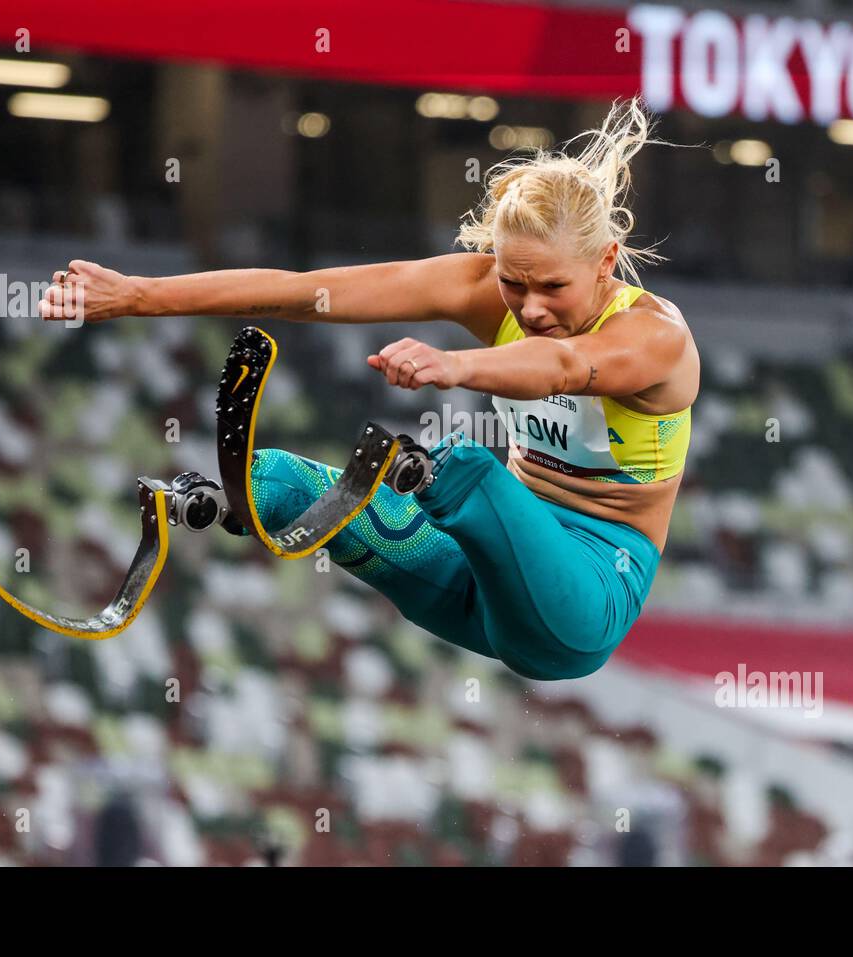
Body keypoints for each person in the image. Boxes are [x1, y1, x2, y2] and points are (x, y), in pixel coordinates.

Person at [39, 98, 700, 680]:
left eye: (553, 286)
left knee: (471, 463)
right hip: (474, 587)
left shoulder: (655, 337)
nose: (529, 308)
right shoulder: (485, 287)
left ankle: (417, 470)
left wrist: (457, 366)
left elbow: (561, 367)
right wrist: (137, 294)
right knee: (288, 481)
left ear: (606, 260)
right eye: (512, 283)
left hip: (579, 607)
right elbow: (310, 293)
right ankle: (223, 507)